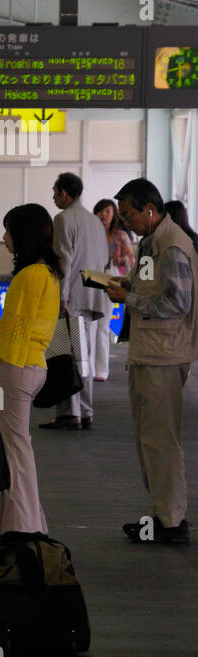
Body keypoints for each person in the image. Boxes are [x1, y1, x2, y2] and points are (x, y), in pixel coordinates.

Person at [105, 179, 198, 543]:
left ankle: (171, 521)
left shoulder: (173, 246)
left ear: (149, 208)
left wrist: (129, 300)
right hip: (148, 352)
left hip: (164, 355)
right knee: (149, 439)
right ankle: (160, 514)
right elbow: (144, 286)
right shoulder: (149, 243)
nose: (125, 222)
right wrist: (120, 287)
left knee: (162, 439)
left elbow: (178, 304)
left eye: (128, 214)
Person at [0, 204, 63, 534]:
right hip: (35, 365)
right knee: (19, 448)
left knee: (15, 451)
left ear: (24, 234)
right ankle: (27, 525)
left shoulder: (28, 275)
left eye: (9, 230)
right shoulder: (48, 272)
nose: (5, 238)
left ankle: (23, 531)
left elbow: (11, 328)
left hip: (16, 368)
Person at [40, 172, 109, 431]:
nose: (54, 197)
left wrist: (61, 297)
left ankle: (70, 413)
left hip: (73, 300)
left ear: (65, 193)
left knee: (68, 357)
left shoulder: (63, 219)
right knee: (85, 357)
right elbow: (103, 260)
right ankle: (86, 411)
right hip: (94, 296)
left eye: (55, 192)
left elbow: (64, 261)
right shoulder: (95, 221)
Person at [92, 199, 135, 382]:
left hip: (112, 277)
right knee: (90, 324)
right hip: (92, 277)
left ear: (114, 214)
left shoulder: (120, 235)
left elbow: (131, 259)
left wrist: (120, 260)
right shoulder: (91, 234)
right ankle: (88, 367)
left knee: (102, 324)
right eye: (100, 211)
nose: (103, 215)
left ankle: (101, 370)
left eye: (107, 211)